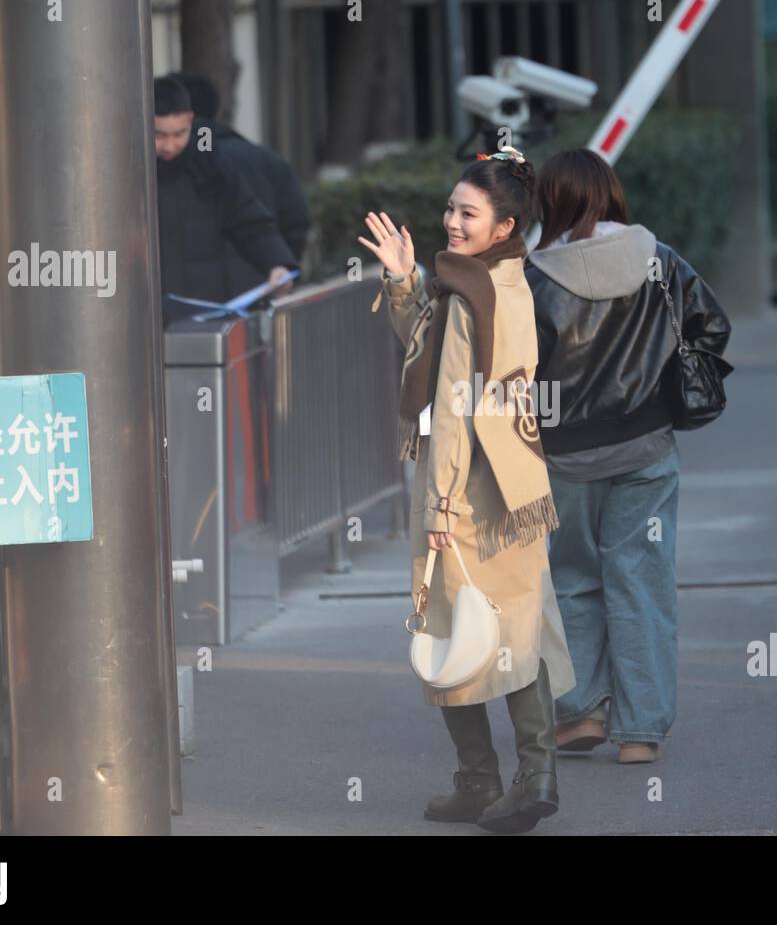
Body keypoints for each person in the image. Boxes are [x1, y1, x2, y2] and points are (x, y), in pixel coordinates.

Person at [359, 147, 576, 834]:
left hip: (468, 489)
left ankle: (482, 780)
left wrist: (440, 508)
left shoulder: (469, 293)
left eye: (468, 213)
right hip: (518, 485)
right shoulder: (499, 283)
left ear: (504, 225)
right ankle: (531, 776)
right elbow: (438, 352)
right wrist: (404, 283)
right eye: (451, 208)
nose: (451, 222)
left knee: (451, 626)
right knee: (519, 628)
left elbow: (453, 403)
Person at [524, 148, 730, 765]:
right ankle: (640, 731)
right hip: (646, 447)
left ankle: (582, 711)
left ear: (550, 202)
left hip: (563, 458)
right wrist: (666, 381)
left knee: (571, 582)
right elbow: (711, 327)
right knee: (642, 581)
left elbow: (517, 369)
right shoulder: (660, 262)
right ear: (610, 193)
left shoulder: (535, 279)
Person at [152, 76, 295, 306]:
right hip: (147, 312)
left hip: (207, 306)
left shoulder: (209, 166)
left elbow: (250, 222)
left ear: (191, 120)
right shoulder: (130, 176)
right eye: (159, 135)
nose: (170, 146)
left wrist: (278, 263)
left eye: (179, 134)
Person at [167, 71, 311, 261]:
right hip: (264, 281)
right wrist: (282, 266)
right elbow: (296, 220)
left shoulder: (173, 165)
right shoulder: (265, 158)